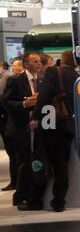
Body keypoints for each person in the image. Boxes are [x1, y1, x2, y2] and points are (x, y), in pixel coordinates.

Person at [33, 49, 76, 212]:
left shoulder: (53, 72)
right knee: (62, 165)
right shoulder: (77, 76)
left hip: (51, 124)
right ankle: (59, 201)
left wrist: (35, 118)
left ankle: (36, 200)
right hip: (69, 125)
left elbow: (43, 98)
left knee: (43, 161)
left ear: (62, 61)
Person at [3, 52, 47, 208]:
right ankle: (20, 195)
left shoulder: (42, 80)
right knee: (24, 162)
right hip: (20, 128)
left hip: (38, 127)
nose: (39, 64)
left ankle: (33, 193)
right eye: (35, 62)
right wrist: (24, 104)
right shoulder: (15, 80)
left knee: (36, 161)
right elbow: (6, 102)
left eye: (39, 61)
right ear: (26, 64)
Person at [0, 57, 18, 191]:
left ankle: (16, 181)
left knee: (13, 151)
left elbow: (6, 100)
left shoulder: (8, 77)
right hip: (5, 119)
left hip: (7, 119)